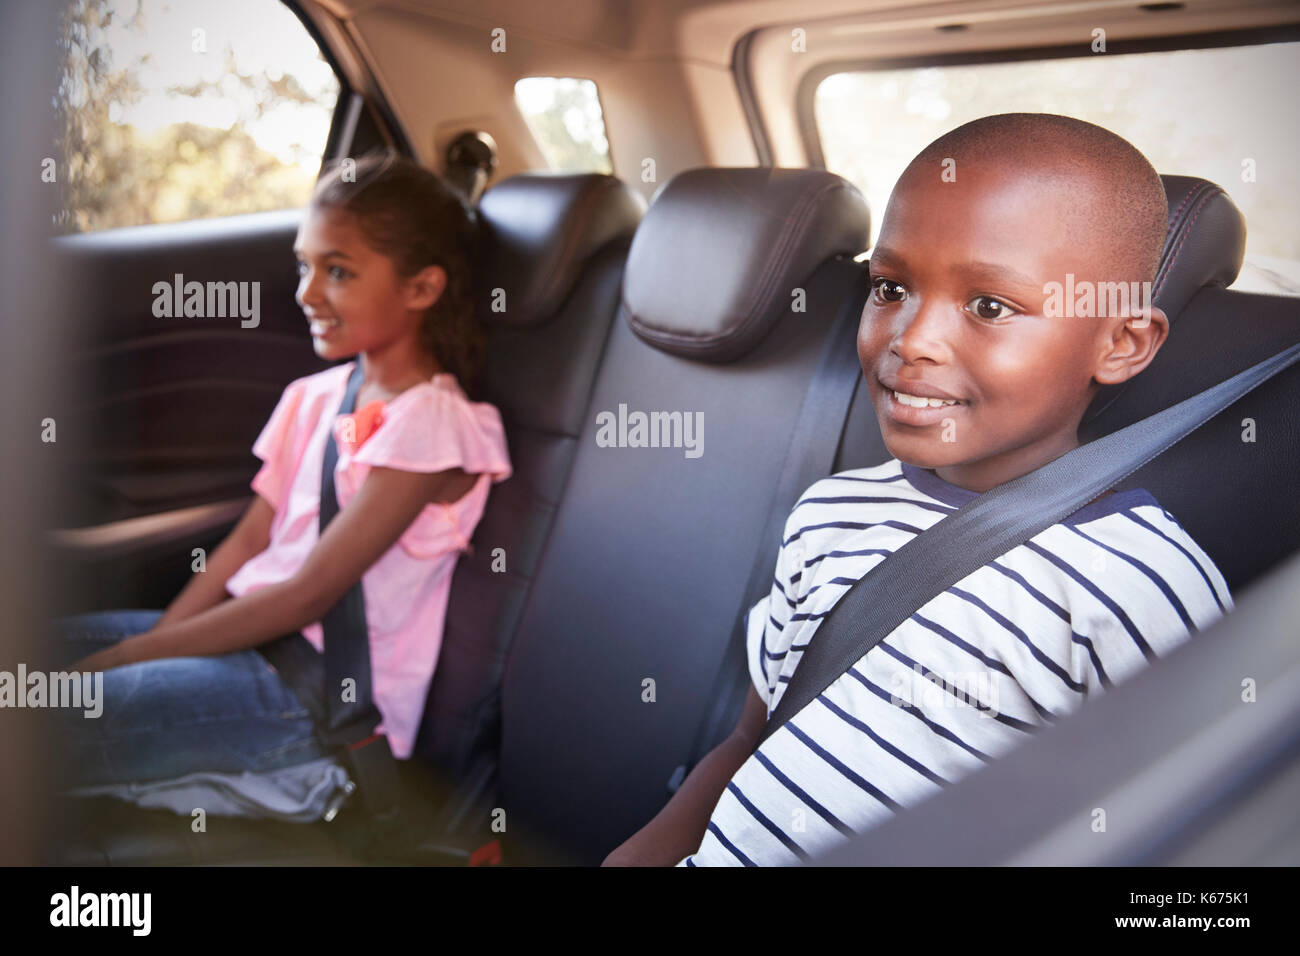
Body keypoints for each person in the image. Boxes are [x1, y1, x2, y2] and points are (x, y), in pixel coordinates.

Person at [603, 113, 1233, 866]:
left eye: (990, 306)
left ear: (1120, 343)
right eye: (892, 287)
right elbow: (752, 737)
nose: (911, 340)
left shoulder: (1133, 583)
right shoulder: (830, 514)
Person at [51, 153, 511, 820]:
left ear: (421, 288)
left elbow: (308, 593)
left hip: (313, 697)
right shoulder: (315, 396)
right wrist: (157, 648)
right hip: (246, 642)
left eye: (339, 271)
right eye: (305, 265)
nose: (307, 292)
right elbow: (247, 541)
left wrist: (130, 657)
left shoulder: (432, 424)